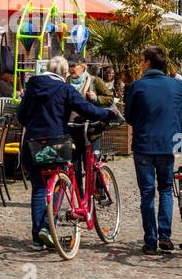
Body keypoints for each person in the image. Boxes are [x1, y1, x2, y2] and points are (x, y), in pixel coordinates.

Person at [17, 56, 116, 251]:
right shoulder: (65, 89)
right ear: (63, 73)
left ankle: (37, 239)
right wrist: (108, 114)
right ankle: (47, 225)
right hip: (56, 142)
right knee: (60, 182)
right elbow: (87, 109)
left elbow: (21, 115)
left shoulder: (32, 86)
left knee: (38, 189)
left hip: (33, 142)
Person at [125, 45, 182, 255]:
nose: (140, 64)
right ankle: (165, 236)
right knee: (165, 189)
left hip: (144, 144)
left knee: (146, 193)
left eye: (142, 60)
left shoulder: (137, 86)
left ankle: (150, 242)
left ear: (148, 63)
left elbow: (129, 118)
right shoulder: (175, 85)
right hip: (171, 143)